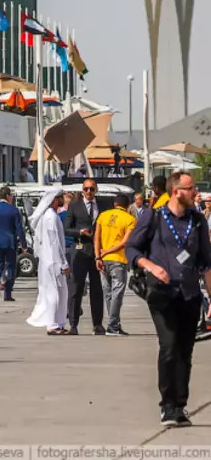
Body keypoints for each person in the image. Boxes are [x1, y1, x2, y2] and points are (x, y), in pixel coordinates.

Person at [127, 171, 211, 427]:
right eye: (190, 188)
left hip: (190, 294)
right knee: (169, 345)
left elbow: (207, 263)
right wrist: (150, 266)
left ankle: (180, 406)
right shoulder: (152, 216)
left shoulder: (198, 221)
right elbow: (132, 247)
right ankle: (167, 405)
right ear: (176, 191)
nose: (195, 192)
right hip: (162, 295)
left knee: (185, 351)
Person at [26, 189, 71, 335]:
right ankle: (52, 325)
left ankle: (58, 323)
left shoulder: (50, 216)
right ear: (54, 200)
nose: (63, 199)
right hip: (53, 261)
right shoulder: (51, 217)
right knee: (54, 294)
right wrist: (63, 263)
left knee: (60, 293)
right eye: (60, 197)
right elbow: (55, 243)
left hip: (51, 260)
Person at [64, 178, 105, 335]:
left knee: (97, 289)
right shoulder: (75, 206)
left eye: (92, 189)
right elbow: (66, 228)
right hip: (79, 250)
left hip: (96, 252)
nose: (89, 192)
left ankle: (98, 324)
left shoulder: (102, 205)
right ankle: (73, 324)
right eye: (86, 189)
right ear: (82, 190)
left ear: (96, 190)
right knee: (76, 288)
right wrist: (80, 232)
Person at [96, 192, 137, 337]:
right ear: (127, 206)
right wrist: (108, 251)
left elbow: (97, 237)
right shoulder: (130, 219)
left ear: (115, 204)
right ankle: (113, 326)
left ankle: (114, 324)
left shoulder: (103, 215)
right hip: (118, 259)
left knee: (108, 293)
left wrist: (98, 256)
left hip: (102, 259)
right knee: (117, 293)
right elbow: (125, 242)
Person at [0, 187, 25, 301]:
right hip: (10, 242)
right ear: (8, 196)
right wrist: (24, 244)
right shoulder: (14, 210)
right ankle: (7, 293)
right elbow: (19, 229)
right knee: (11, 267)